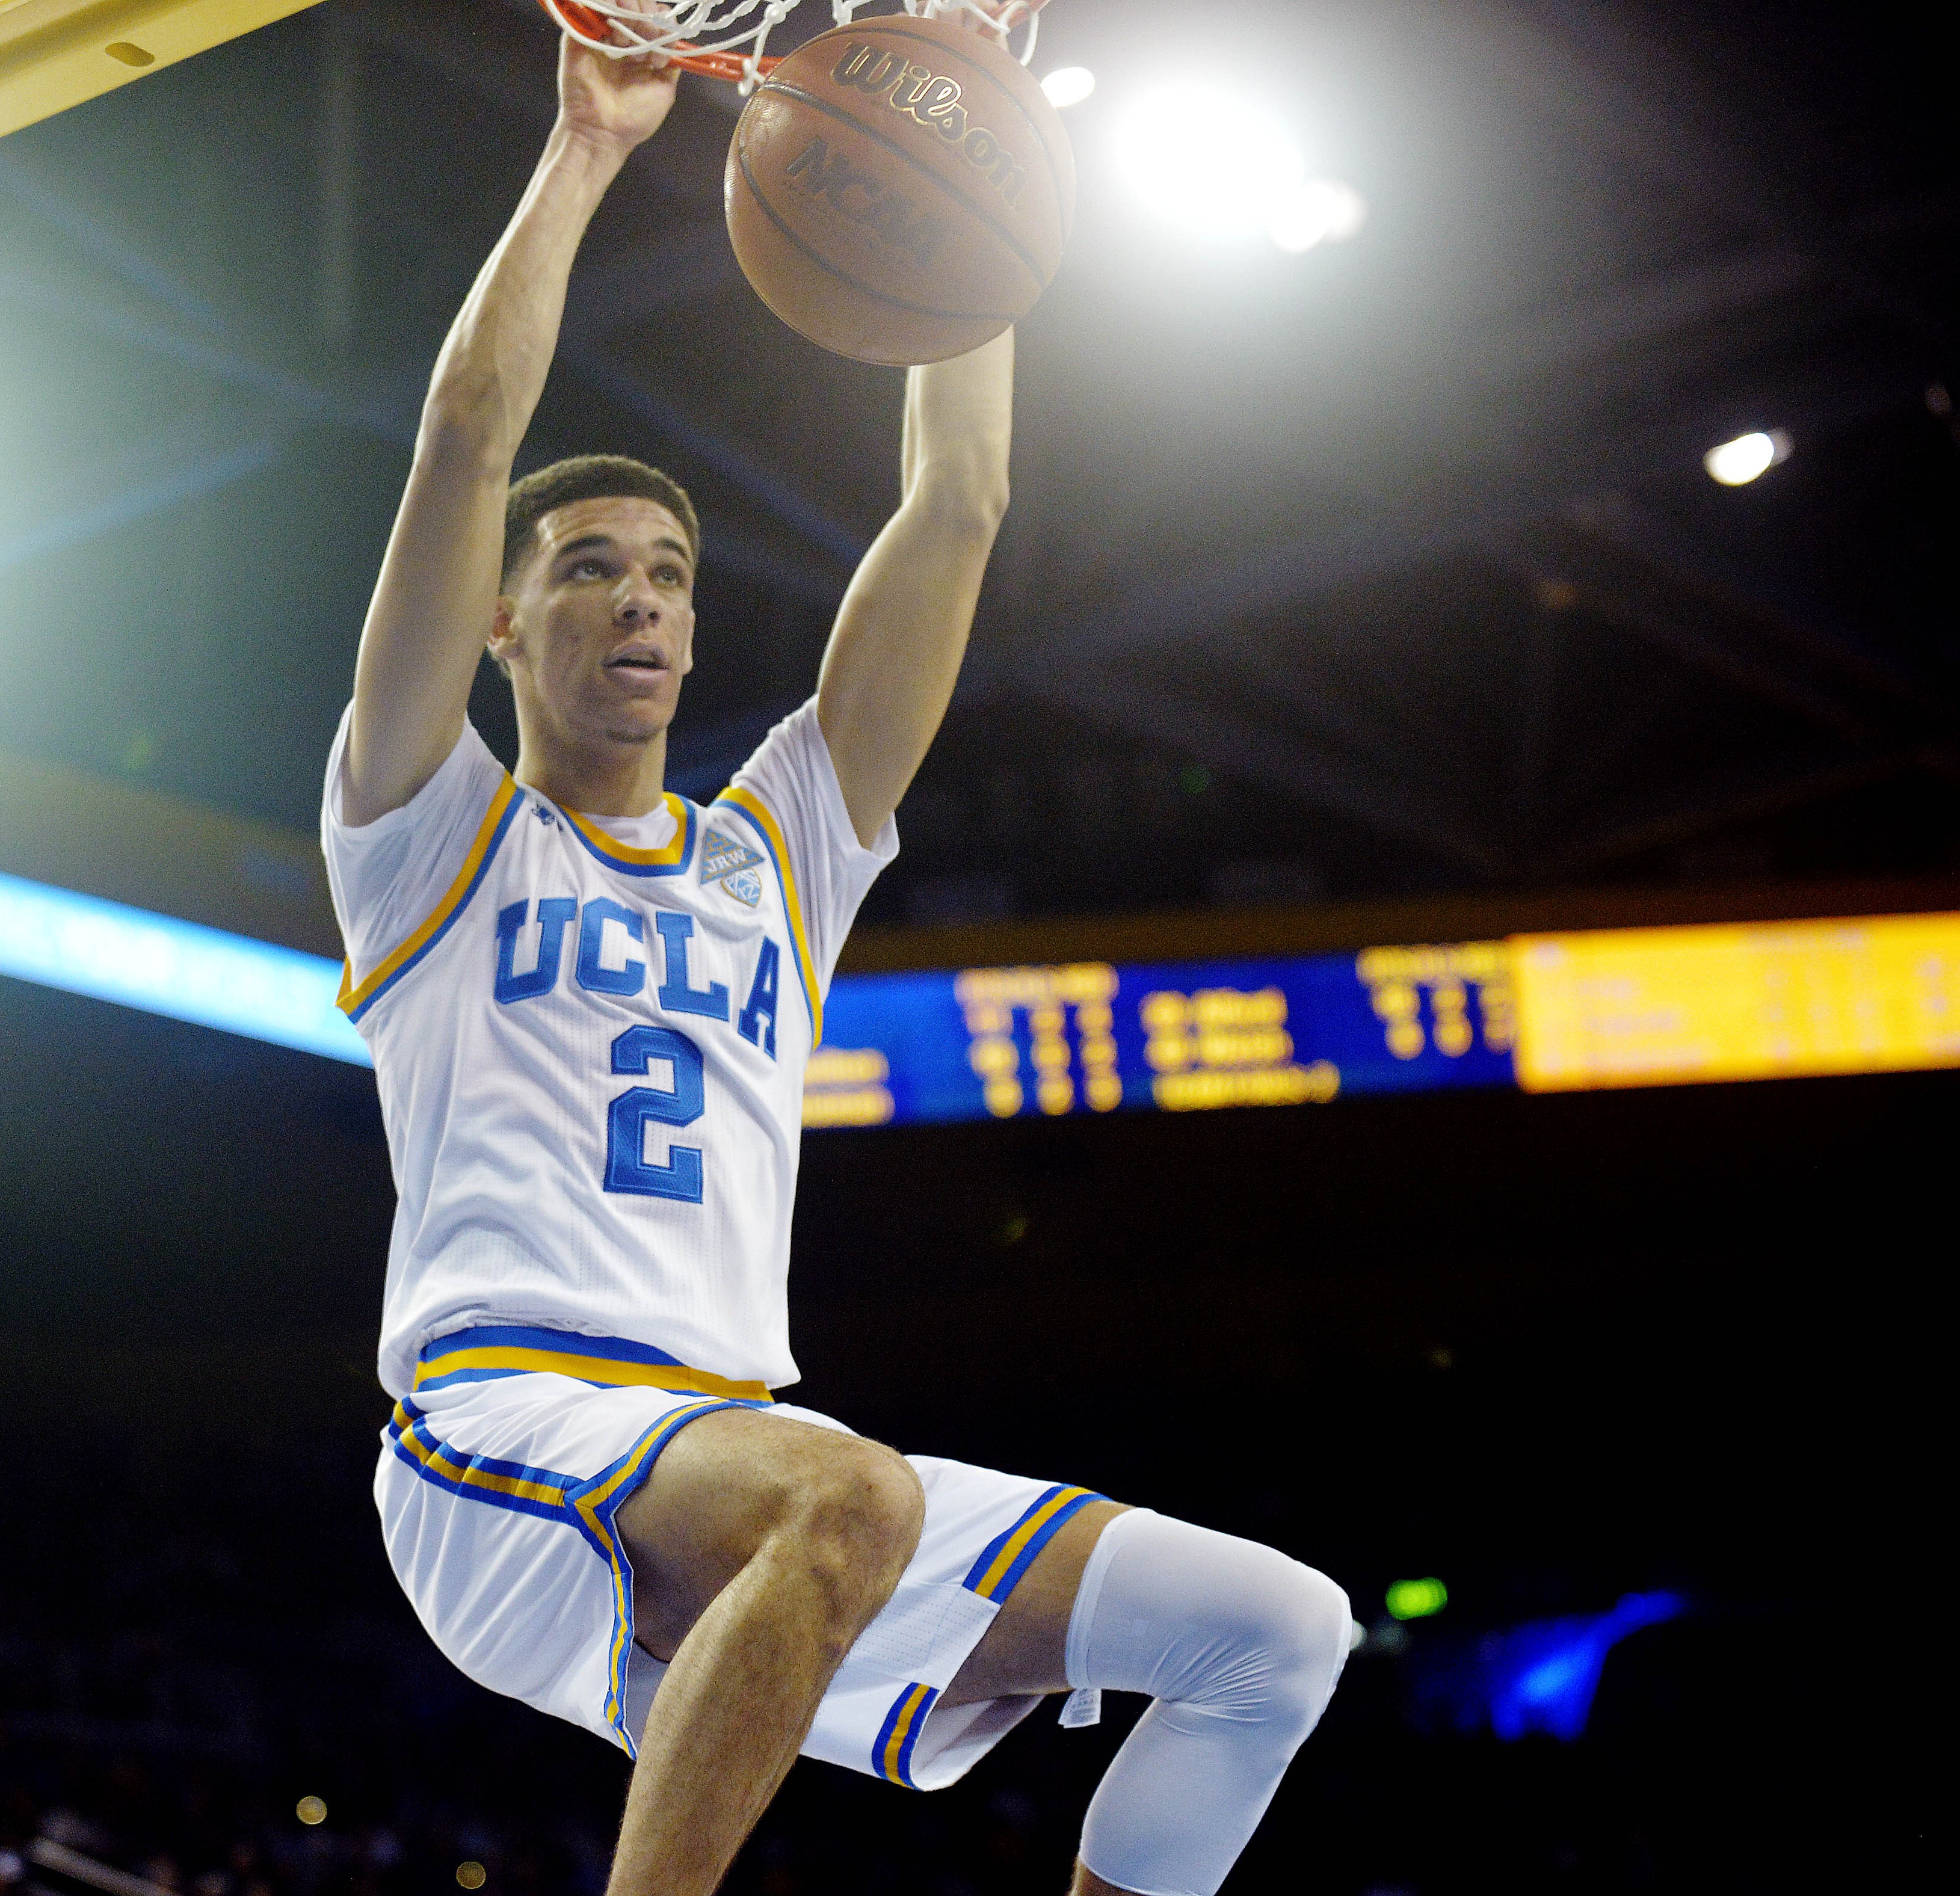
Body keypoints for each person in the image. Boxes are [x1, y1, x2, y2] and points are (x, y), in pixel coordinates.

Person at [319, 22, 1351, 1896]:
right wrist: (586, 148)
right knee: (848, 1488)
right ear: (497, 625)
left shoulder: (771, 857)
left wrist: (976, 151)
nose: (638, 596)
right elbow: (468, 432)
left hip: (747, 1462)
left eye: (668, 574)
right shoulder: (428, 831)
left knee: (1278, 1634)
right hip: (503, 1429)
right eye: (586, 569)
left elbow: (955, 508)